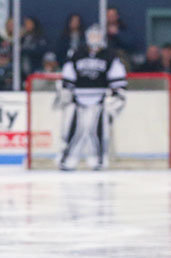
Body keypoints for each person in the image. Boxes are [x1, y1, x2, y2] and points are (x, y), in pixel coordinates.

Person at [57, 24, 127, 171]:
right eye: (92, 36)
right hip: (78, 98)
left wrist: (117, 94)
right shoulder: (77, 53)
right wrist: (65, 90)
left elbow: (117, 77)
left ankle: (98, 159)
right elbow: (69, 73)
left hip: (100, 98)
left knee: (97, 131)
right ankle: (68, 159)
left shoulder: (109, 55)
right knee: (75, 129)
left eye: (97, 36)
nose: (94, 39)